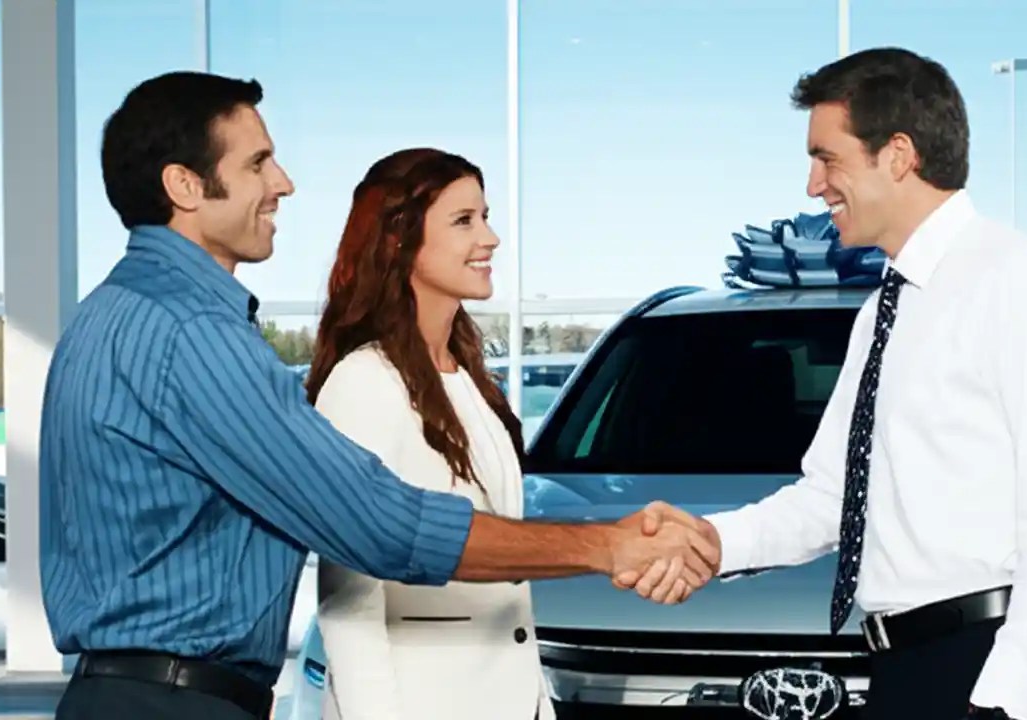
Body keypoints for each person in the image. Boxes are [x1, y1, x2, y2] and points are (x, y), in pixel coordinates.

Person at [39, 71, 717, 720]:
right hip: (170, 703)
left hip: (156, 694)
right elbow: (375, 525)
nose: (284, 183)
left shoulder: (121, 313)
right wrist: (605, 547)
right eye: (257, 164)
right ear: (185, 185)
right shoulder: (189, 333)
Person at [628, 48, 1027, 720]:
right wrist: (715, 545)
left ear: (897, 155)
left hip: (988, 674)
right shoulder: (884, 311)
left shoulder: (1022, 280)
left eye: (827, 157)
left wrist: (1008, 701)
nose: (812, 185)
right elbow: (835, 495)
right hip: (904, 672)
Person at [305, 148, 553, 720]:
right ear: (399, 239)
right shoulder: (363, 382)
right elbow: (349, 601)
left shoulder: (467, 380)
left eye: (485, 216)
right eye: (464, 221)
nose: (489, 238)